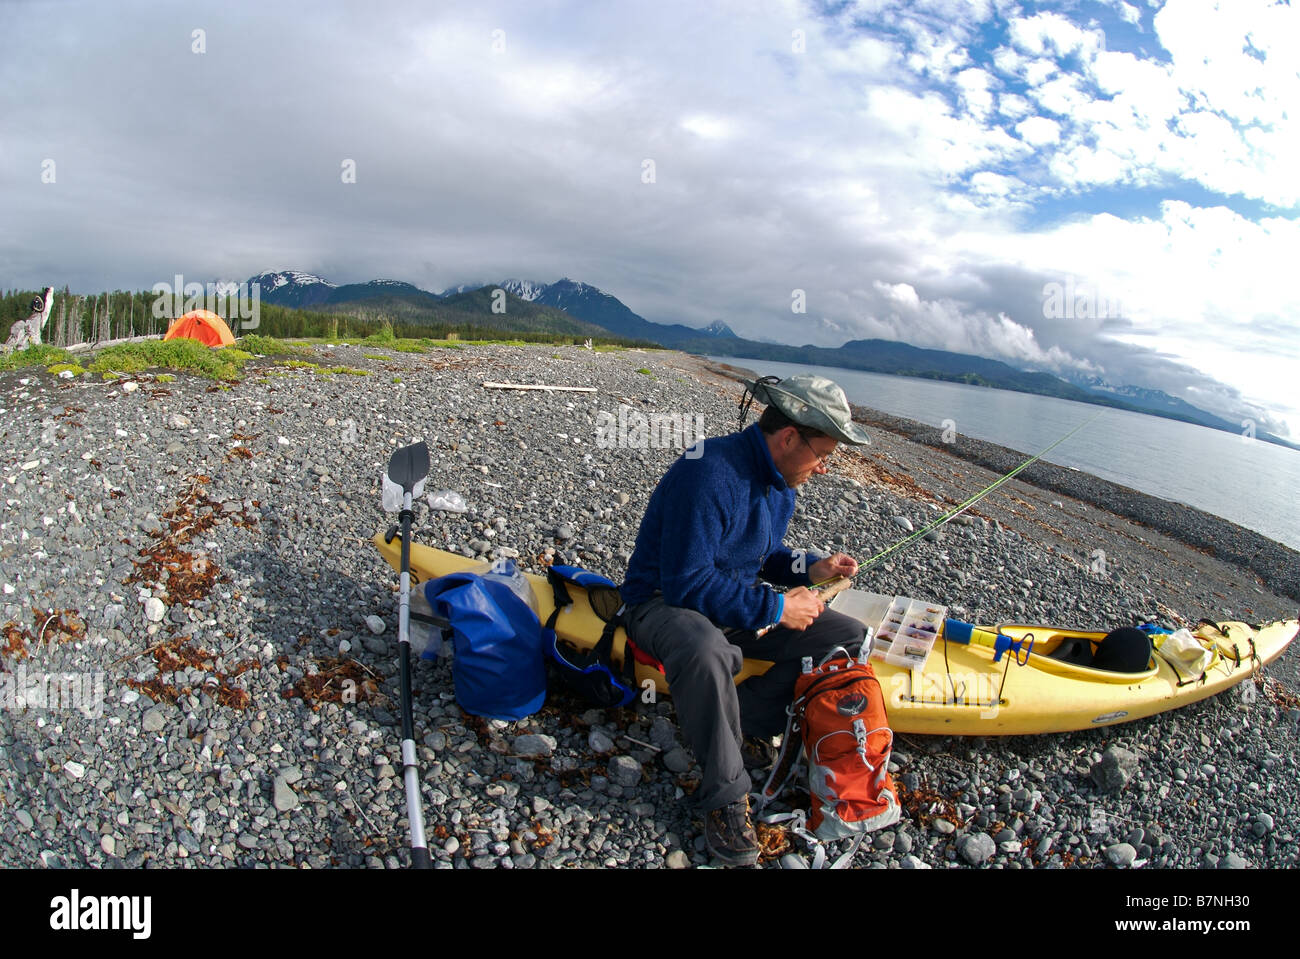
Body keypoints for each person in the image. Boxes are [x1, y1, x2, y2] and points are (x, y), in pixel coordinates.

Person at [619, 374, 872, 866]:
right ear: (789, 437)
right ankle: (725, 798)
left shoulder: (781, 480)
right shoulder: (708, 472)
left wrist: (809, 567)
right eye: (824, 454)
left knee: (845, 635)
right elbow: (687, 584)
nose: (824, 468)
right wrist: (777, 608)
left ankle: (735, 718)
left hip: (726, 603)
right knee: (706, 648)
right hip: (661, 602)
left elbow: (760, 553)